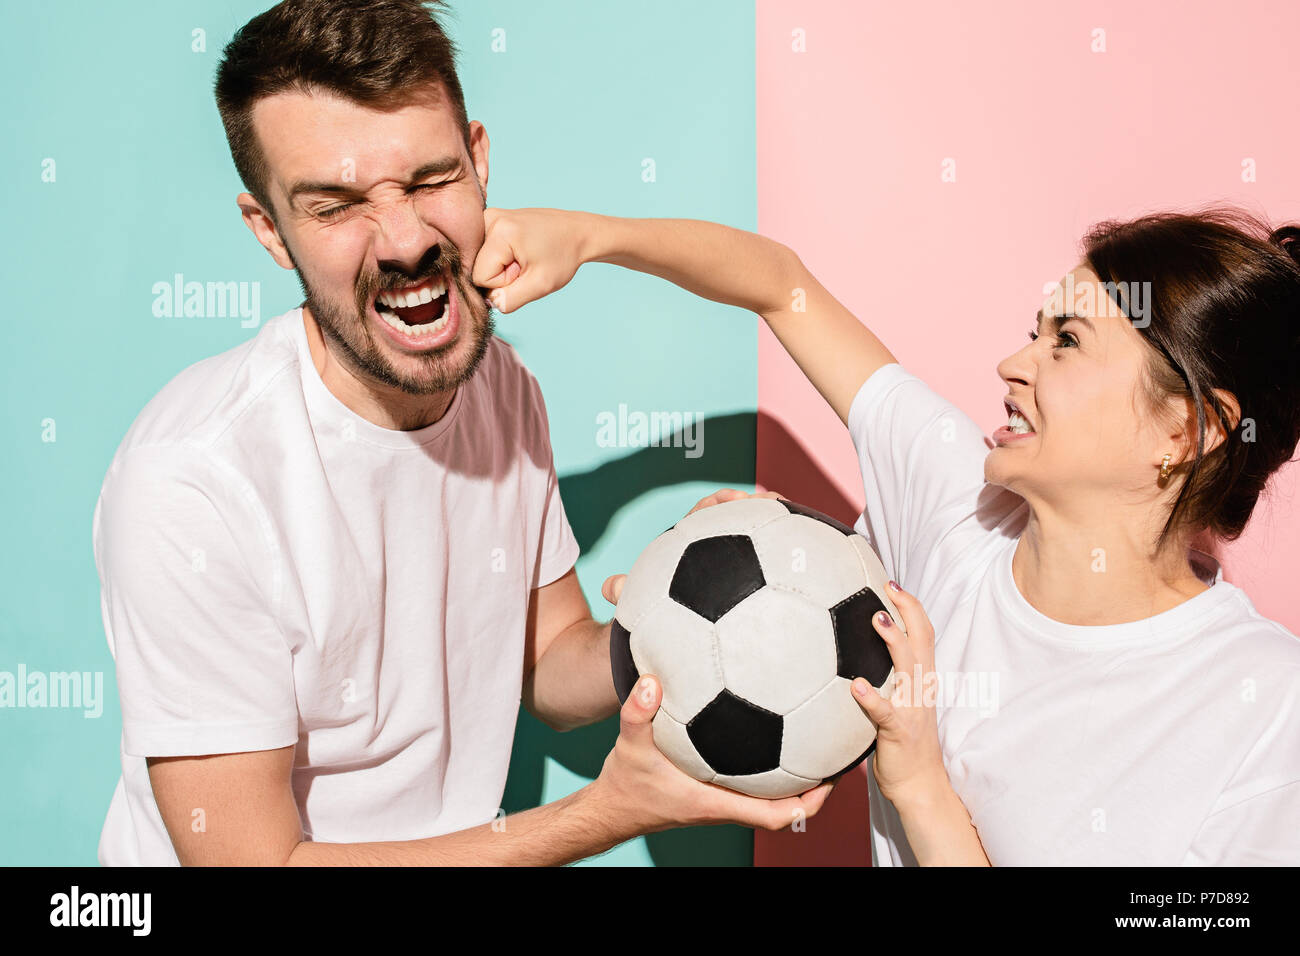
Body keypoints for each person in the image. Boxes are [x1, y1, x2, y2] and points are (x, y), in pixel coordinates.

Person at [93, 0, 829, 867]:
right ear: (270, 231)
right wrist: (608, 813)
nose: (404, 241)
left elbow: (548, 664)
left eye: (429, 180)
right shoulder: (193, 484)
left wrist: (692, 597)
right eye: (335, 206)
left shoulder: (500, 384)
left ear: (478, 160)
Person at [473, 206, 1300, 865]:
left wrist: (923, 786)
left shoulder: (1268, 710)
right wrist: (588, 236)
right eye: (1034, 329)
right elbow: (780, 286)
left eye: (1067, 342)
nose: (1014, 363)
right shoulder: (959, 509)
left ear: (1186, 431)